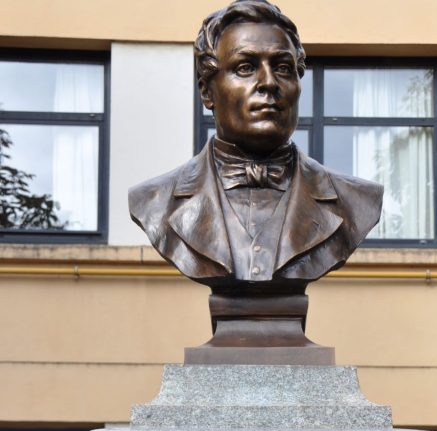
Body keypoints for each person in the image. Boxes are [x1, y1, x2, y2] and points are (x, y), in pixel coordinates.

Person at [129, 0, 383, 289]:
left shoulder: (357, 200)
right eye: (246, 67)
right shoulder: (153, 201)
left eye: (284, 68)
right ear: (207, 91)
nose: (268, 82)